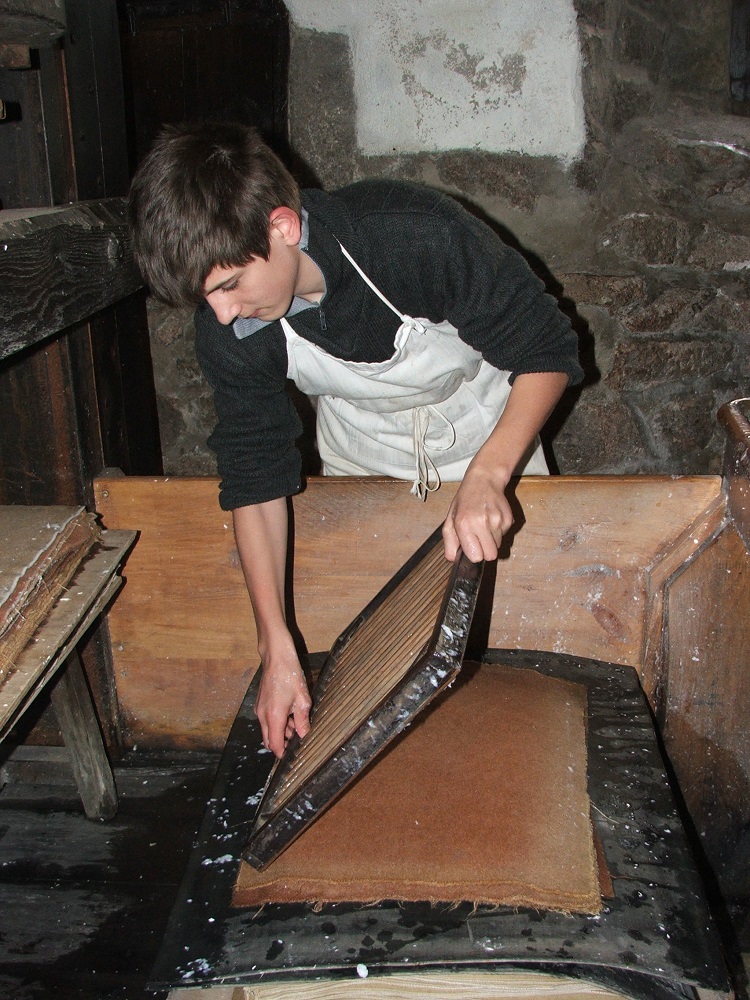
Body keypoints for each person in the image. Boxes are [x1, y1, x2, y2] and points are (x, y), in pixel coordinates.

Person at [128, 121, 583, 758]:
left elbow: (546, 350)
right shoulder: (231, 329)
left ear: (282, 227)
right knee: (389, 649)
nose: (224, 314)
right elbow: (255, 478)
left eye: (229, 285)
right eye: (208, 299)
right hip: (361, 448)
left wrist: (488, 474)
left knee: (523, 638)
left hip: (487, 431)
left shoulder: (411, 234)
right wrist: (275, 646)